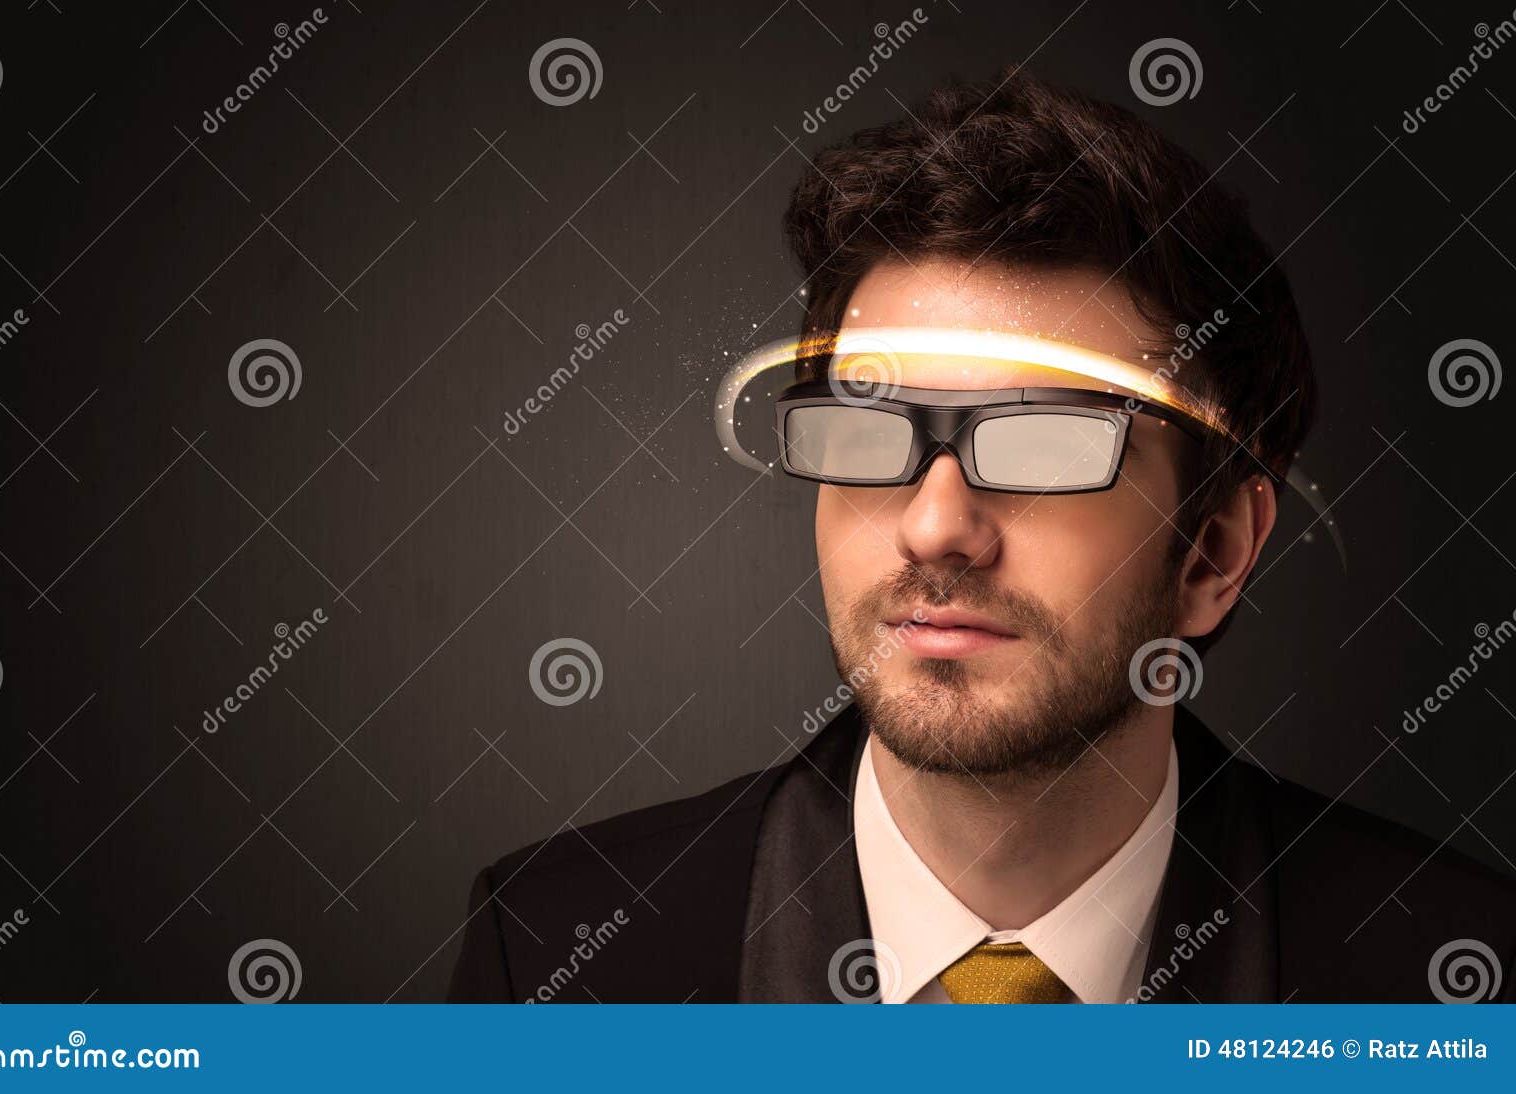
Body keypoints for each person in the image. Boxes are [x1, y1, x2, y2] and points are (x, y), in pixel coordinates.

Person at [448, 69, 1516, 1004]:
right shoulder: (559, 960)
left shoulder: (1454, 975)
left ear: (1213, 551)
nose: (934, 524)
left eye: (1046, 444)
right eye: (869, 433)